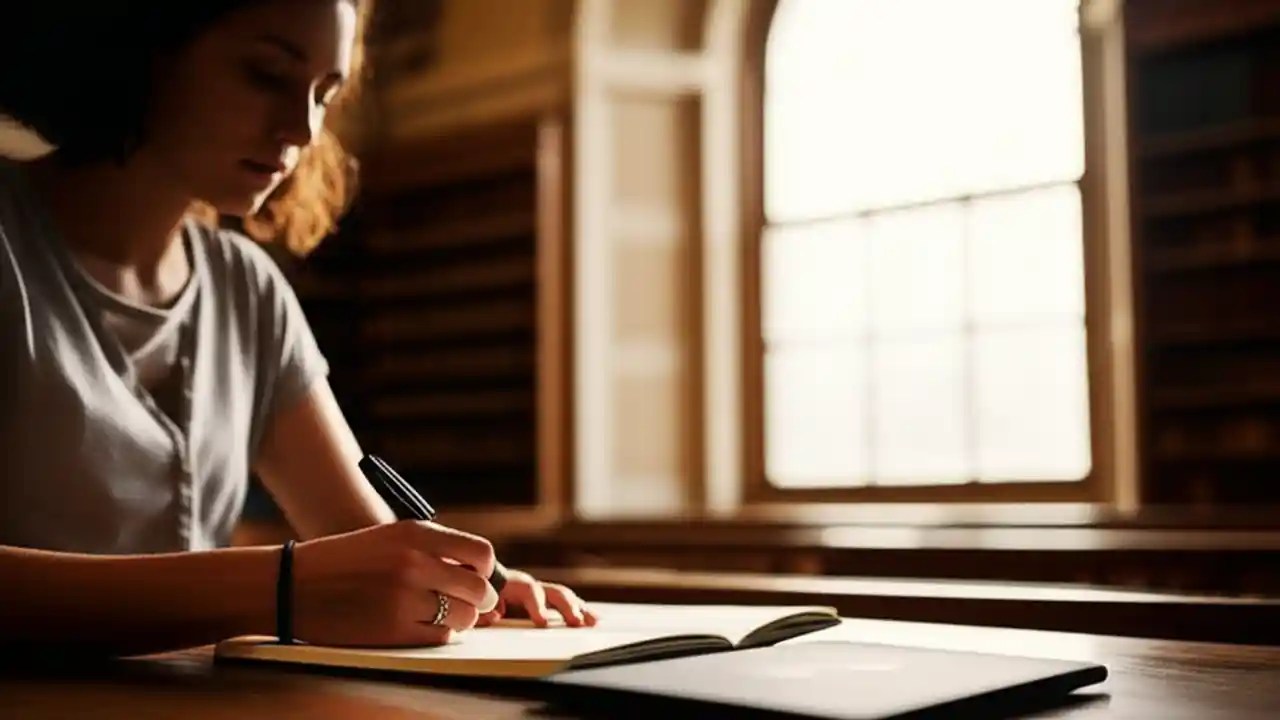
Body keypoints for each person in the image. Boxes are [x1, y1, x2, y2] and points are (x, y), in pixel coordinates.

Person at [0, 0, 597, 659]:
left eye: (324, 94)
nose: (304, 129)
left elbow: (356, 526)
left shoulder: (246, 289)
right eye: (266, 75)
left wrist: (466, 580)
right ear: (137, 51)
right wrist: (274, 587)